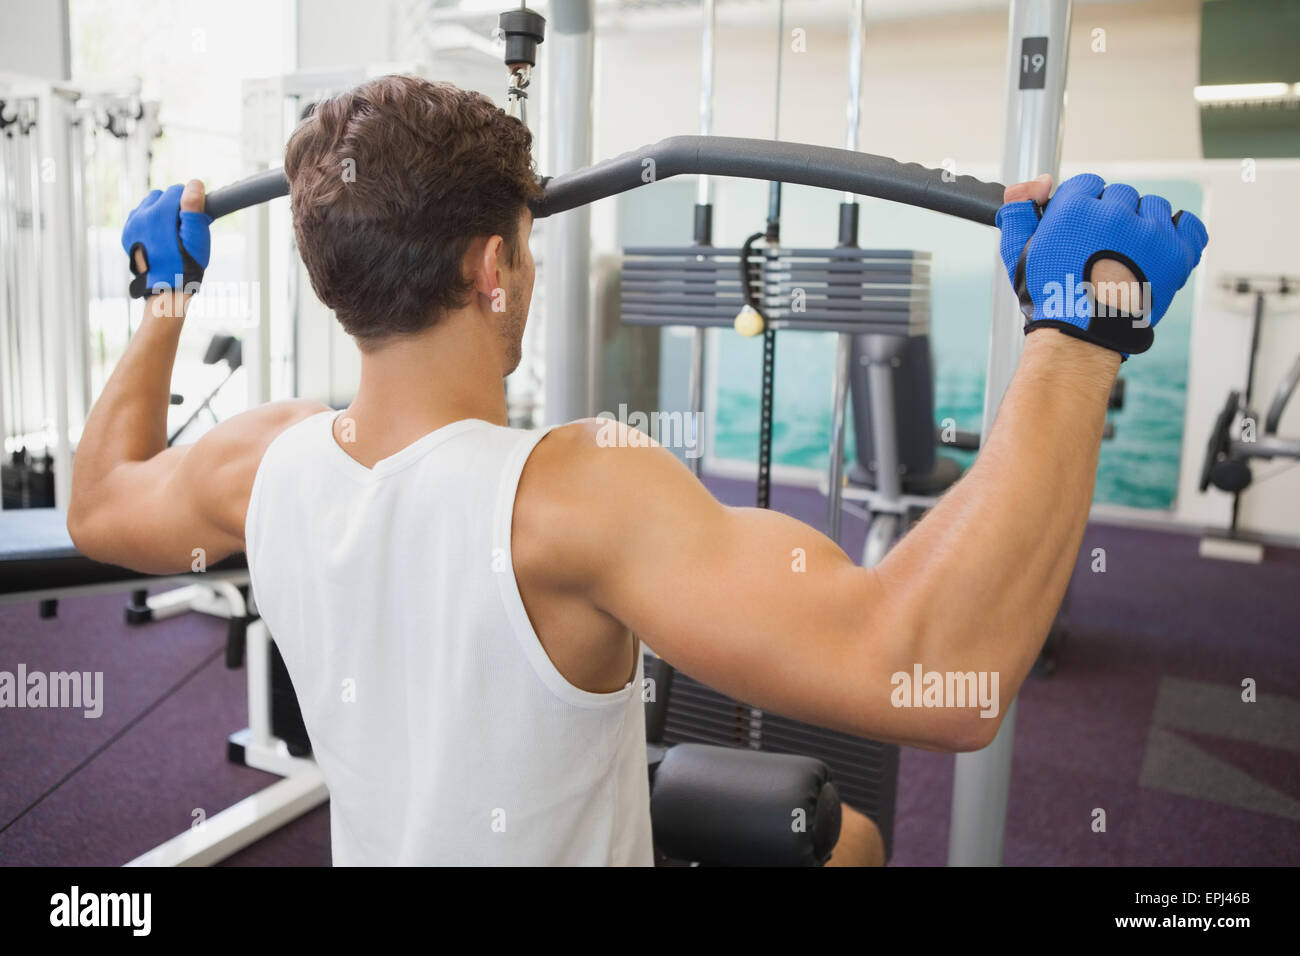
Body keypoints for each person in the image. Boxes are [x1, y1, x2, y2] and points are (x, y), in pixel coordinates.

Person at [67, 75, 1207, 866]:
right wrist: (1077, 336)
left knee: (842, 841)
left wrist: (164, 294)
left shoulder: (257, 460)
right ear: (491, 266)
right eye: (529, 242)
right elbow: (935, 669)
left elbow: (99, 502)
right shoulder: (573, 494)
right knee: (847, 834)